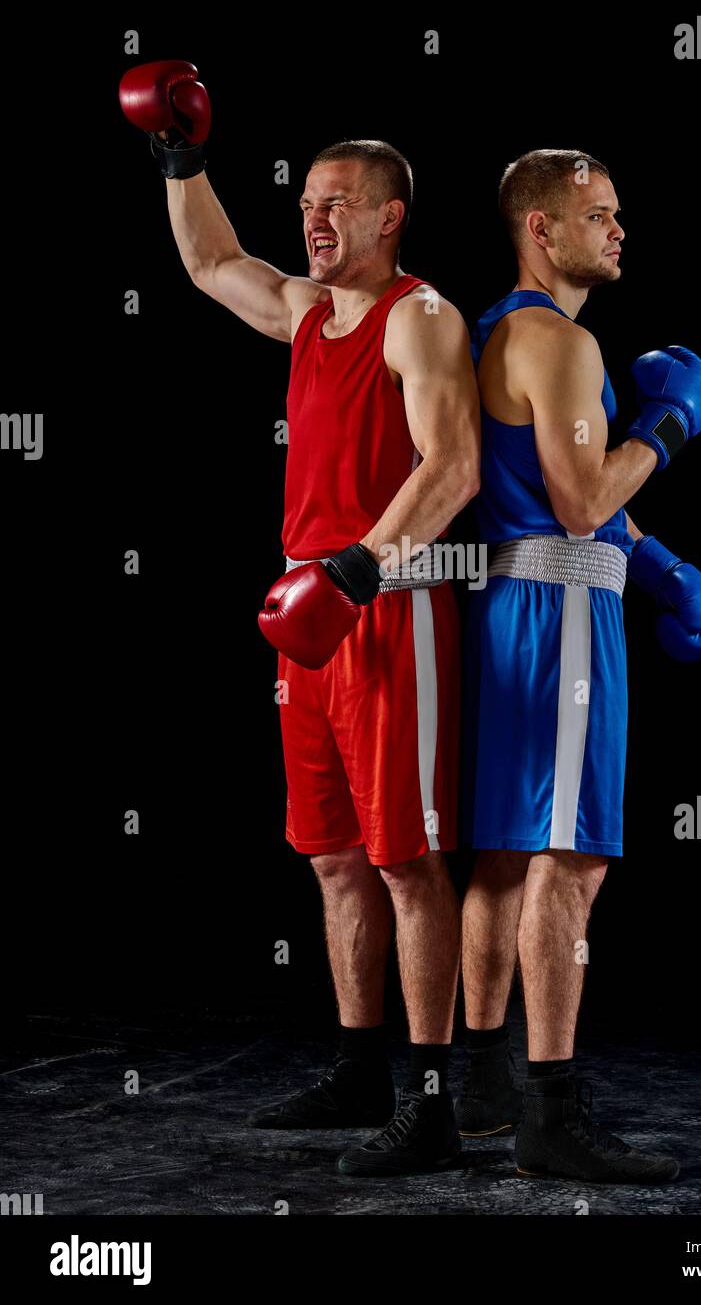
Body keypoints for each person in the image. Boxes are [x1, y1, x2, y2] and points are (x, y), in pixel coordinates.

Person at [119, 61, 481, 1177]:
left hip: (391, 608)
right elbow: (209, 262)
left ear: (390, 215)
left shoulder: (421, 318)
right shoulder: (307, 311)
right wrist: (182, 156)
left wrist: (361, 568)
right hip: (309, 617)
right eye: (307, 203)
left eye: (337, 204)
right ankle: (360, 1068)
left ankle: (431, 1102)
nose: (314, 220)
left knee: (405, 858)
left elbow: (452, 466)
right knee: (331, 856)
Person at [456, 148, 701, 1182]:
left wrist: (664, 571)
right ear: (541, 228)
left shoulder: (497, 330)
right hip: (565, 614)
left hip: (511, 607)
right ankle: (552, 1114)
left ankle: (483, 1086)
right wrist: (671, 421)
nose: (619, 230)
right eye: (599, 214)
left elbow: (560, 492)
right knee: (571, 857)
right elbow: (582, 505)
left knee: (502, 855)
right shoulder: (561, 341)